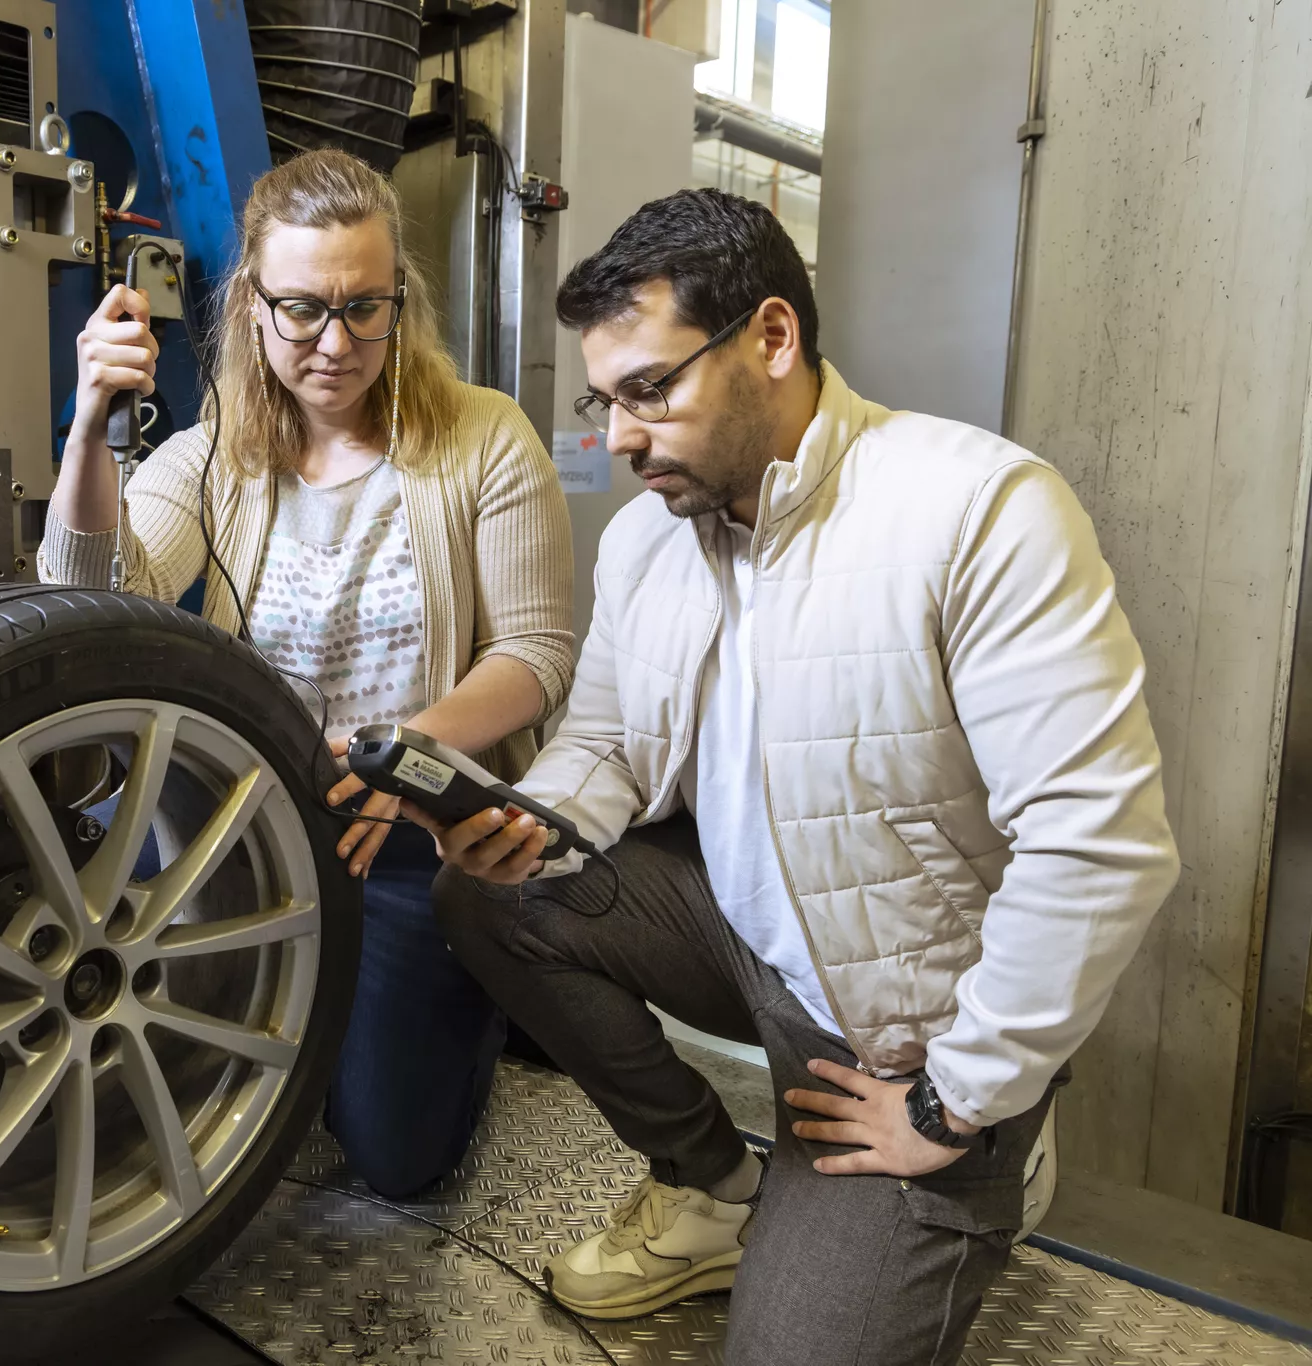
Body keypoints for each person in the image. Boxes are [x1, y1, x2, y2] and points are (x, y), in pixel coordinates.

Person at [421, 188, 1178, 1364]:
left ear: (769, 340)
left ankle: (995, 1146)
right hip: (750, 942)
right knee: (490, 894)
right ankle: (711, 1185)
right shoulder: (645, 541)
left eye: (647, 390)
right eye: (600, 399)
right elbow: (608, 746)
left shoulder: (974, 511)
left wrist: (957, 1095)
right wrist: (534, 820)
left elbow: (1098, 840)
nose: (616, 437)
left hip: (902, 1036)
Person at [38, 148, 575, 1197]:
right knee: (191, 1105)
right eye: (300, 311)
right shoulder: (210, 460)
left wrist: (405, 756)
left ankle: (473, 997)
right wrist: (92, 431)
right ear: (250, 302)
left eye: (363, 309)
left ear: (397, 299)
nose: (334, 345)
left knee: (392, 1161)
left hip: (411, 832)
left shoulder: (482, 438)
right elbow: (97, 602)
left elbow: (535, 655)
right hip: (247, 830)